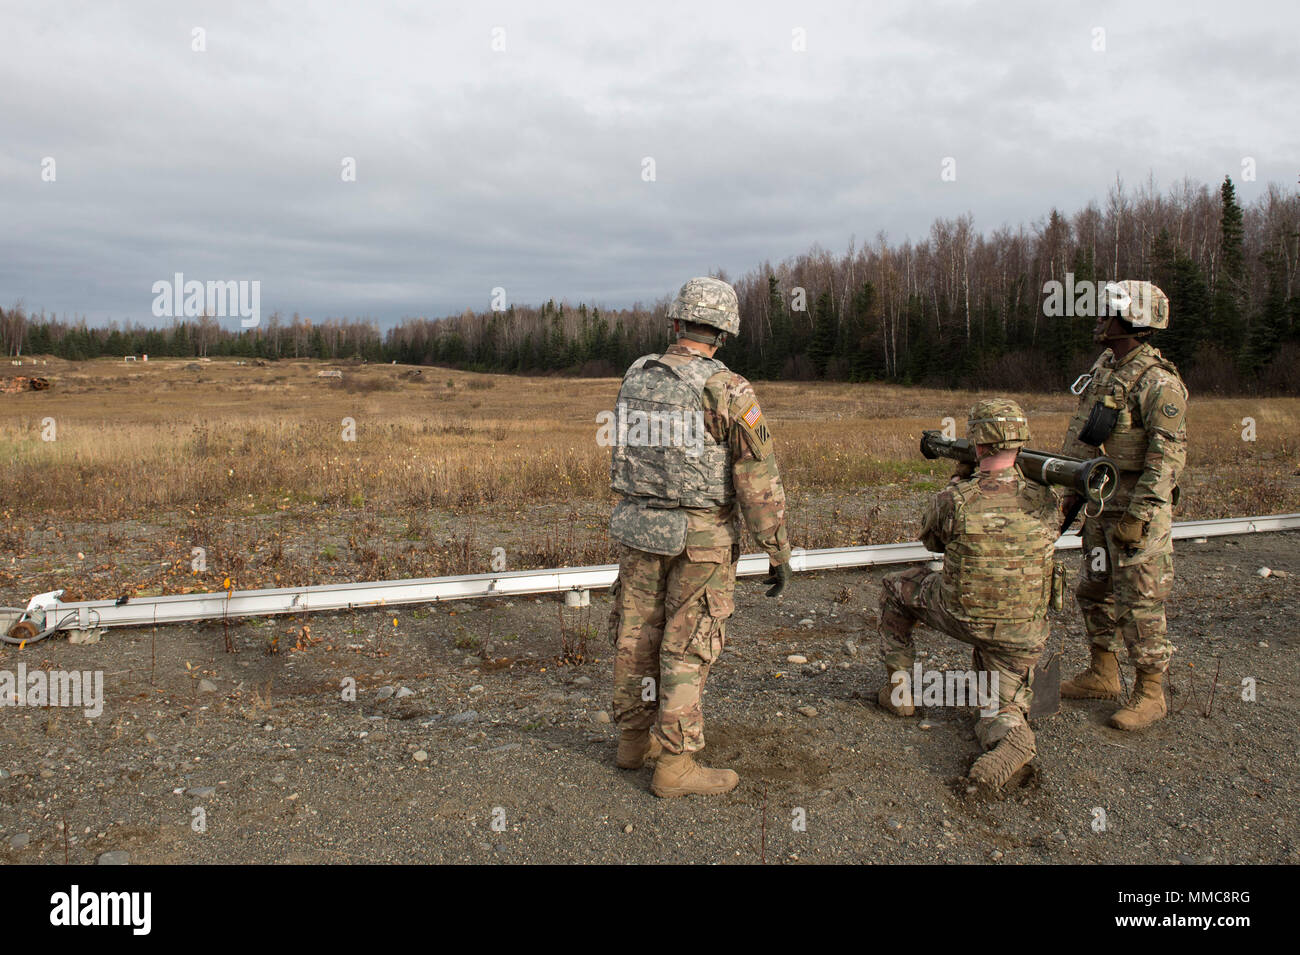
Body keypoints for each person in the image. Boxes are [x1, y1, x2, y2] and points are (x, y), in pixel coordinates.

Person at [606, 276, 792, 798]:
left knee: (635, 635)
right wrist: (776, 550)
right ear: (725, 333)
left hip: (640, 528)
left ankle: (631, 741)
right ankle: (676, 765)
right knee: (687, 646)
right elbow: (758, 477)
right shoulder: (728, 388)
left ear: (675, 322)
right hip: (700, 538)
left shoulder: (637, 375)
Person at [877, 398, 1062, 790]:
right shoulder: (1047, 498)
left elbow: (932, 543)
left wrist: (958, 481)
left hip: (963, 614)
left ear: (977, 444)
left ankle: (900, 689)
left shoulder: (957, 499)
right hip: (1023, 631)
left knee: (896, 589)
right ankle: (1012, 735)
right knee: (1001, 704)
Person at [1060, 280, 1188, 731]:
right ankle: (1103, 673)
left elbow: (1168, 455)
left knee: (1141, 602)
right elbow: (1084, 434)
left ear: (1132, 320)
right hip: (1100, 502)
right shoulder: (1105, 370)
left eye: (1108, 311)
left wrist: (1141, 516)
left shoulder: (1158, 383)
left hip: (1136, 510)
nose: (1099, 317)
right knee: (1094, 590)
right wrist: (1071, 492)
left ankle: (1151, 693)